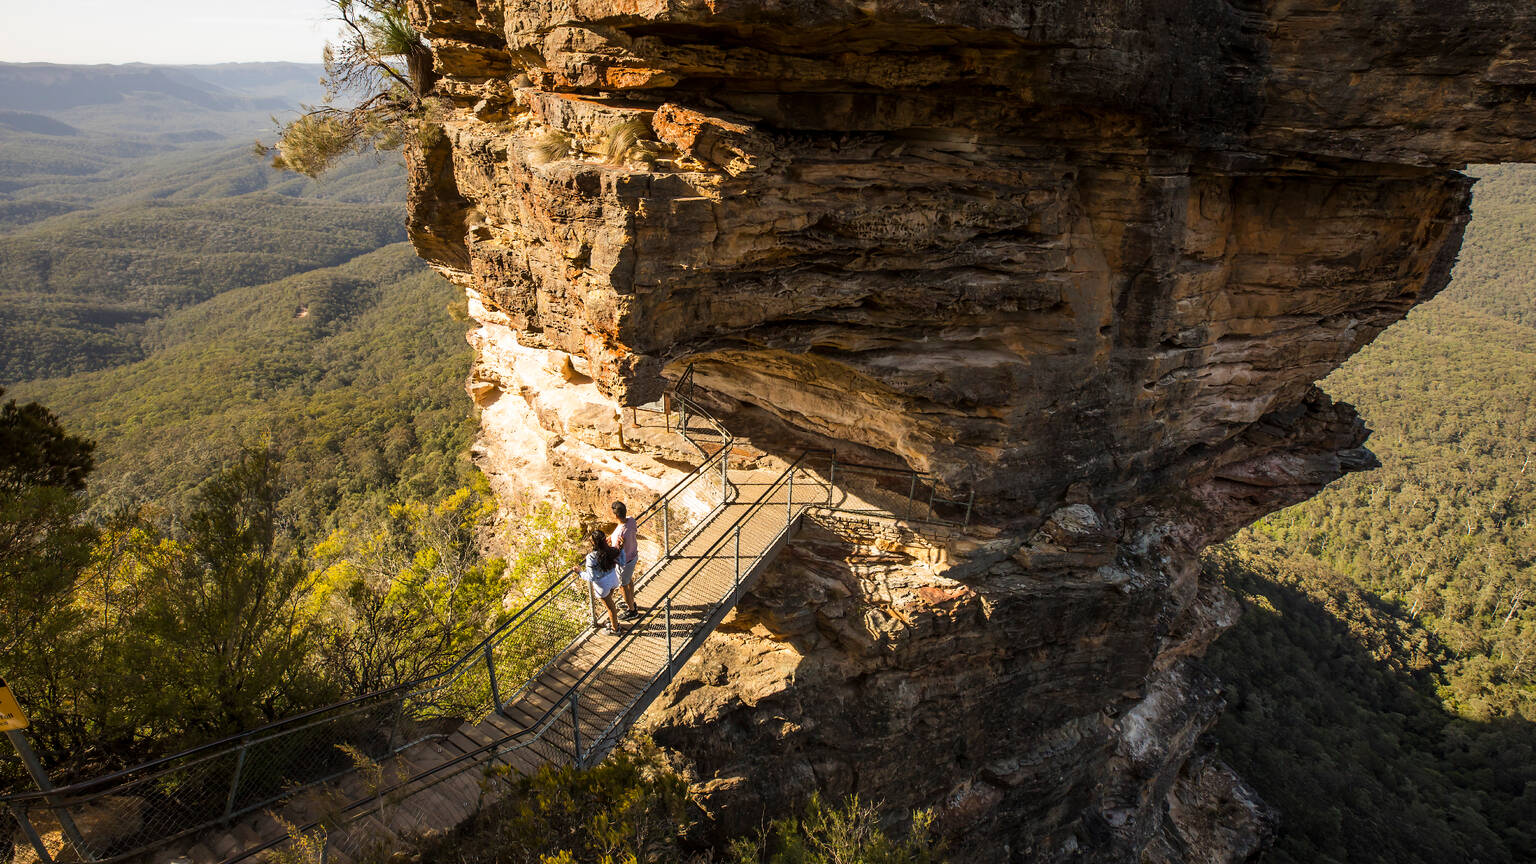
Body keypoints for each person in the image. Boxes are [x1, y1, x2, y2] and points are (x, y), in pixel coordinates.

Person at [582, 528, 628, 634]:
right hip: (613, 580)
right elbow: (622, 562)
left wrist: (580, 572)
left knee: (610, 607)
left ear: (593, 542)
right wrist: (620, 548)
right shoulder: (611, 550)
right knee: (610, 602)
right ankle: (612, 620)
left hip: (602, 586)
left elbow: (592, 577)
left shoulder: (591, 557)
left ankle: (615, 629)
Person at [609, 500, 640, 619]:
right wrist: (611, 537)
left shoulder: (619, 534)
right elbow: (622, 529)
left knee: (623, 585)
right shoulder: (631, 520)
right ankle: (631, 601)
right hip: (633, 556)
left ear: (616, 515)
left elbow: (615, 551)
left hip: (624, 562)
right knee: (629, 580)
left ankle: (632, 611)